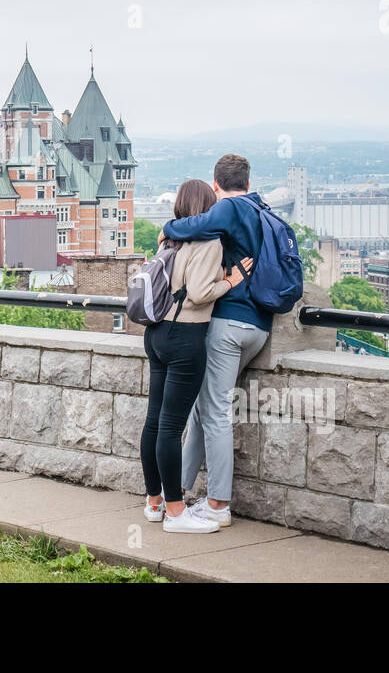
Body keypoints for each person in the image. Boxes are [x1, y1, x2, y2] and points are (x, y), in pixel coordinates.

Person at [160, 153, 271, 528]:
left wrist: (169, 228)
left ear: (215, 185)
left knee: (217, 412)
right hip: (259, 326)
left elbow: (193, 225)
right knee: (201, 409)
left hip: (229, 324)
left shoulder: (229, 209)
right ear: (249, 182)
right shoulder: (261, 209)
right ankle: (178, 492)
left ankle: (218, 504)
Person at [141, 179, 252, 533]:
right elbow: (201, 292)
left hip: (155, 332)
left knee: (155, 421)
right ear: (208, 208)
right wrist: (231, 282)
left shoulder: (168, 239)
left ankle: (154, 502)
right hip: (186, 336)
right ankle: (176, 513)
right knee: (173, 426)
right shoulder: (208, 242)